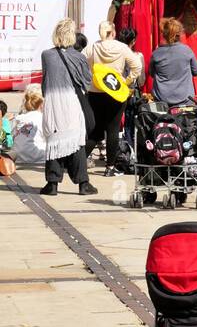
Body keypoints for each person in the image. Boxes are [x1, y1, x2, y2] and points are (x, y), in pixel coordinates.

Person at [39, 17, 97, 197]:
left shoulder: (46, 55)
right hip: (70, 101)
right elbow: (86, 81)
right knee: (75, 140)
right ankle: (83, 184)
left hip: (52, 101)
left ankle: (52, 183)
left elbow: (45, 80)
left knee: (54, 139)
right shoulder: (78, 56)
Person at [83, 20, 143, 175]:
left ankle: (79, 160)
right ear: (113, 32)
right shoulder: (122, 48)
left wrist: (89, 77)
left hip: (95, 92)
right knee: (113, 129)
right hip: (116, 92)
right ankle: (110, 167)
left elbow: (81, 63)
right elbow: (137, 66)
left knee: (96, 130)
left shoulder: (92, 47)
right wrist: (126, 81)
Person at [149, 17, 197, 106]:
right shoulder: (186, 50)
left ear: (164, 34)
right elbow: (196, 71)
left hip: (162, 100)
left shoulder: (156, 53)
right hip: (185, 100)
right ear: (180, 34)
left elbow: (151, 73)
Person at [10, 87, 46, 166]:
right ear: (42, 104)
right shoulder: (43, 118)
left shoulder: (20, 118)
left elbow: (13, 136)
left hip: (18, 157)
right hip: (36, 157)